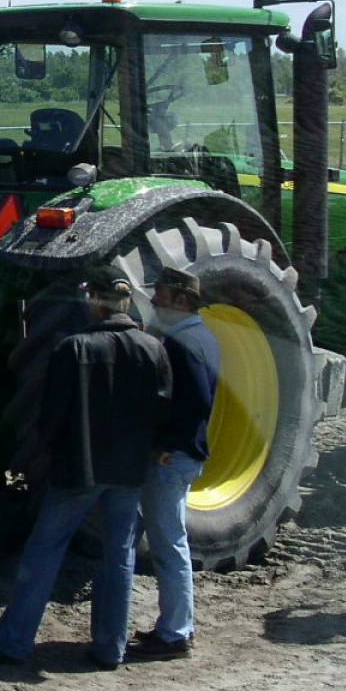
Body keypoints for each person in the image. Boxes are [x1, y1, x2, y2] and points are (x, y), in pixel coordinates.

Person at [0, 264, 172, 671]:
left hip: (80, 471)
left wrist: (50, 457)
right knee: (120, 557)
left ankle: (13, 643)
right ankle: (111, 648)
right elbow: (162, 412)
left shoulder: (73, 349)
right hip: (129, 474)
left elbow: (51, 418)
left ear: (94, 299)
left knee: (44, 551)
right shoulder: (154, 349)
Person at [128, 266, 221, 661]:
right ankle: (176, 627)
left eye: (162, 294)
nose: (154, 300)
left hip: (173, 458)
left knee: (168, 544)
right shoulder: (204, 337)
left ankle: (175, 634)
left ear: (182, 300)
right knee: (171, 540)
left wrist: (168, 443)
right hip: (184, 456)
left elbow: (198, 400)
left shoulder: (182, 343)